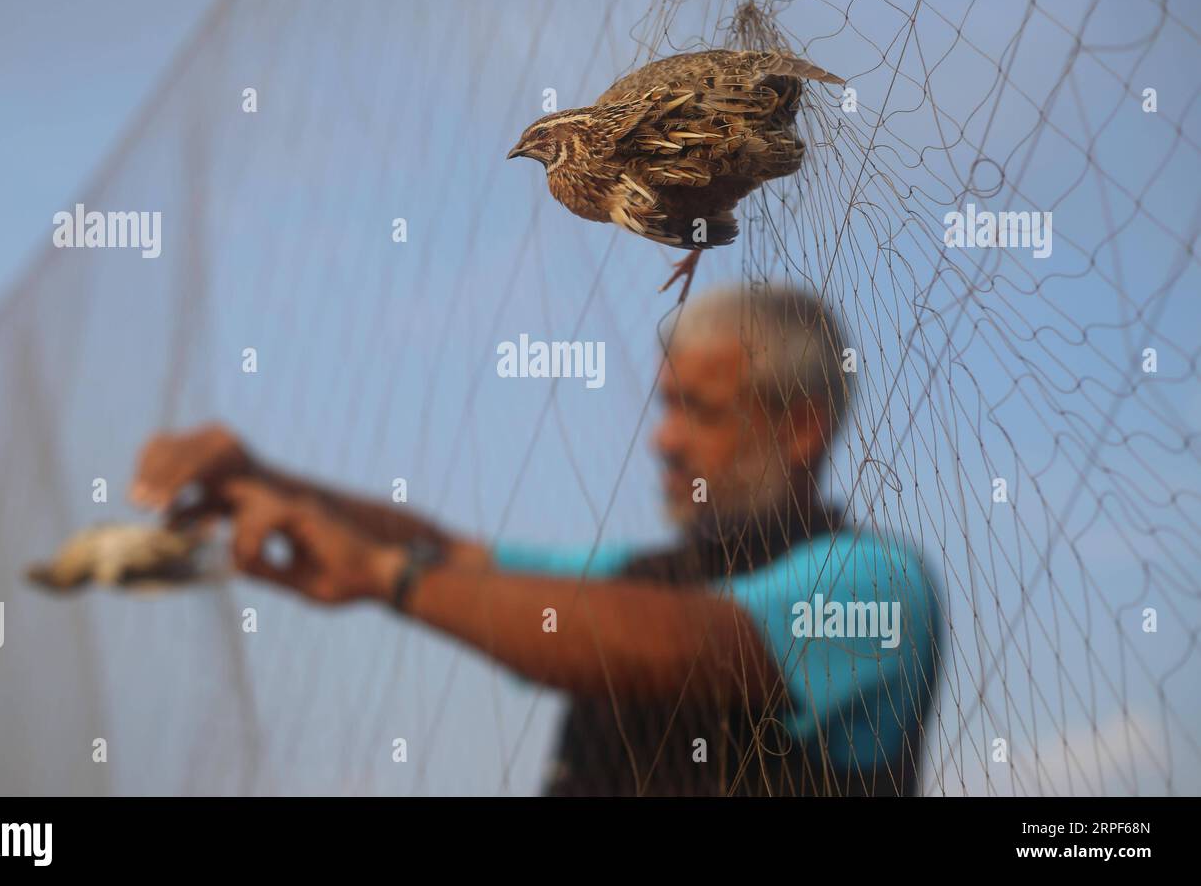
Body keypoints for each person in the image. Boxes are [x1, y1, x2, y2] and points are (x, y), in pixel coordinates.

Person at [129, 282, 941, 796]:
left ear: (801, 429)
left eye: (700, 410)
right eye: (665, 407)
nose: (662, 441)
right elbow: (460, 560)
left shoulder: (875, 584)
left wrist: (385, 577)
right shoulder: (638, 575)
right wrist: (274, 484)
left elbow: (677, 642)